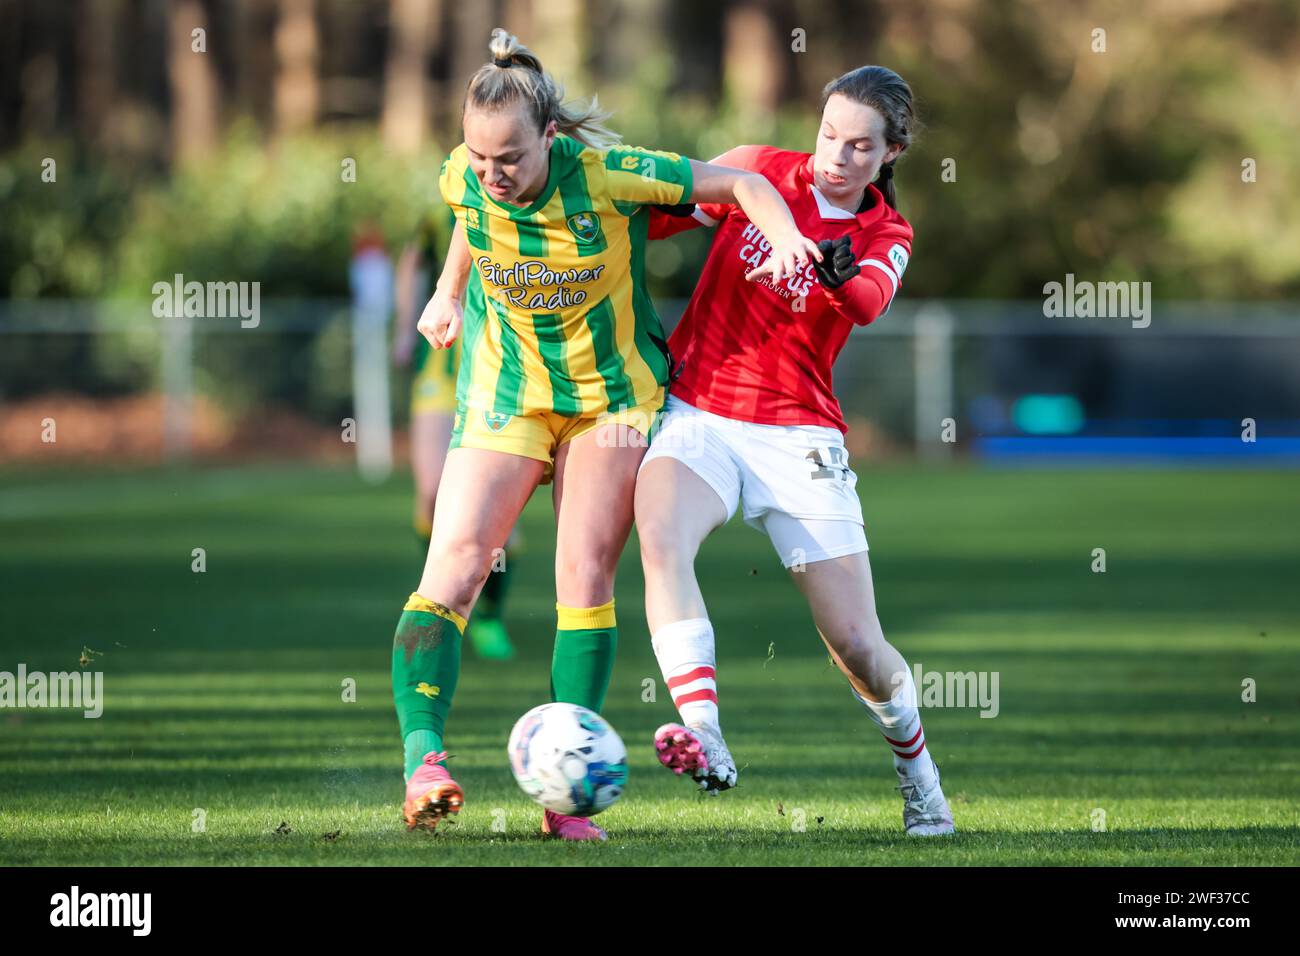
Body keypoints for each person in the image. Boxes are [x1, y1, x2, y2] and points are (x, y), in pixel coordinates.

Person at [392, 27, 821, 841]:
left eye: (510, 158)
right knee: (453, 566)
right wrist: (448, 292)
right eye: (479, 157)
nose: (493, 174)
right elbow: (465, 214)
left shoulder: (613, 175)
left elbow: (739, 184)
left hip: (611, 403)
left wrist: (791, 241)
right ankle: (425, 764)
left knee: (583, 574)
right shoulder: (465, 174)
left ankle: (562, 805)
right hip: (506, 393)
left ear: (550, 136)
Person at [637, 65, 955, 836]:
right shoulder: (756, 171)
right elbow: (649, 222)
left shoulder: (885, 233)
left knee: (855, 643)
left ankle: (919, 775)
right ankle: (705, 734)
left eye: (859, 146)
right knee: (661, 537)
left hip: (799, 438)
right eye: (828, 135)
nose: (836, 156)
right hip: (700, 413)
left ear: (892, 153)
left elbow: (870, 303)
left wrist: (836, 272)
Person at [392, 213, 516, 660]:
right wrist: (405, 327)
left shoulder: (532, 191)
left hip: (501, 369)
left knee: (501, 517)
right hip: (442, 364)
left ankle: (488, 617)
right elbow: (410, 262)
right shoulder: (440, 203)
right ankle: (442, 599)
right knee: (431, 492)